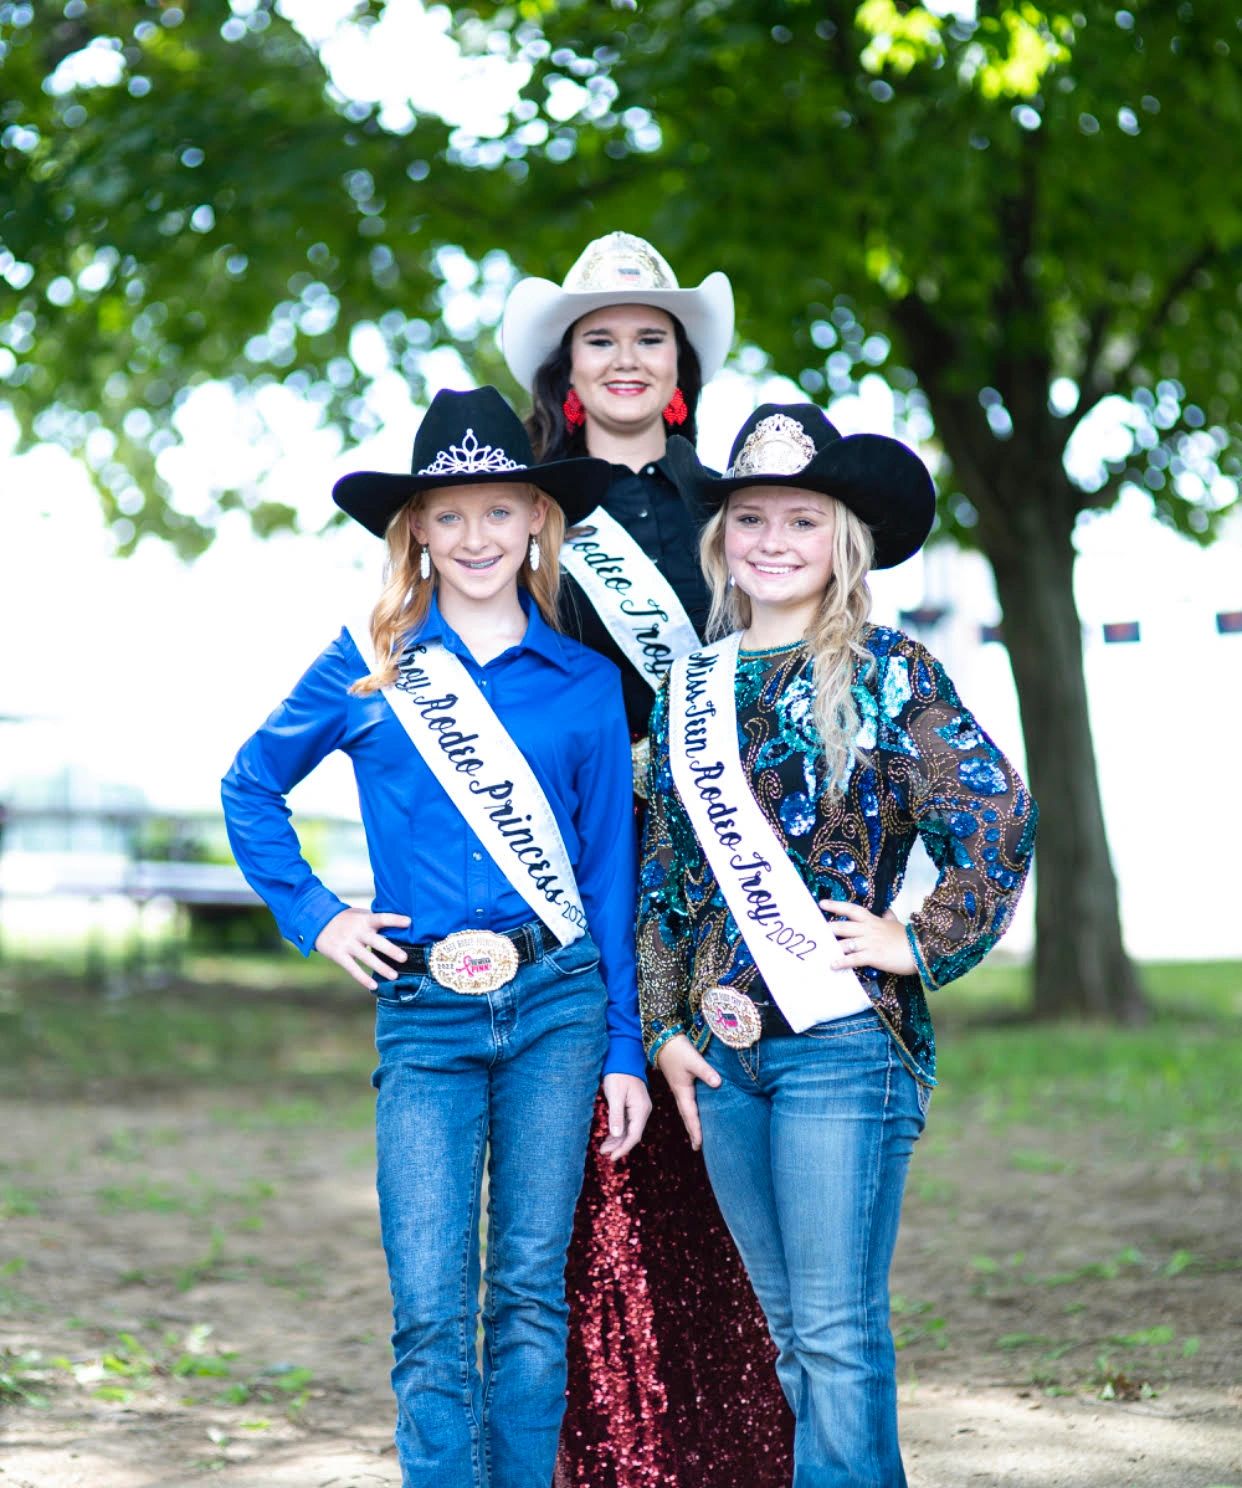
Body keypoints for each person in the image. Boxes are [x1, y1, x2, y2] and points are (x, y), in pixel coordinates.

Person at [220, 386, 651, 1488]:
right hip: (423, 1018)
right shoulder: (366, 664)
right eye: (448, 515)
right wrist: (318, 916)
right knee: (428, 1307)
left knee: (526, 1299)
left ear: (537, 523)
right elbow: (250, 786)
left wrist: (619, 1048)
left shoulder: (587, 682)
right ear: (414, 529)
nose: (475, 538)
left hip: (555, 1005)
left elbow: (607, 877)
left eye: (499, 512)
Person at [642, 403, 1038, 1487]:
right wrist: (666, 1026)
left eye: (801, 520)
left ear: (841, 540)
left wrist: (919, 940)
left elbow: (994, 813)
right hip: (723, 1057)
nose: (773, 541)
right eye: (752, 518)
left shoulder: (887, 670)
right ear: (721, 538)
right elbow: (670, 878)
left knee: (835, 1339)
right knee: (789, 1339)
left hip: (841, 1044)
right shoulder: (690, 689)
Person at [501, 232, 795, 1486]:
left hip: (732, 863)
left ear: (681, 366)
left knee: (731, 1131)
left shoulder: (732, 505)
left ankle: (737, 1440)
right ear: (571, 367)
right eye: (602, 336)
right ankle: (621, 1446)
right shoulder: (531, 512)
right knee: (606, 1143)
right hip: (582, 855)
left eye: (649, 336)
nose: (627, 356)